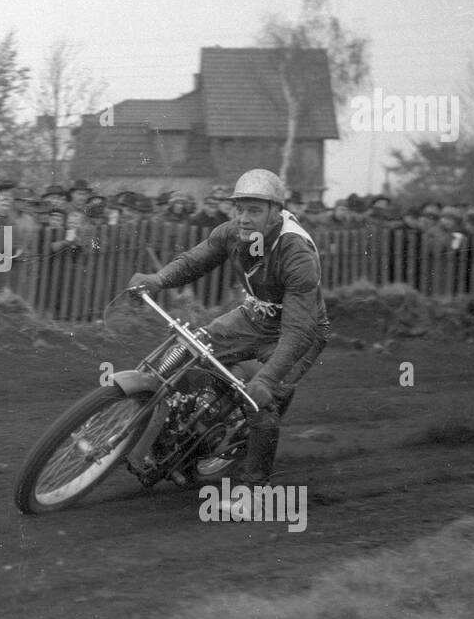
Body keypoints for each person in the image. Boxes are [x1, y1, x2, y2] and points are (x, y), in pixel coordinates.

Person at [126, 168, 330, 486]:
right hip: (254, 316)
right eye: (240, 209)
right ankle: (169, 440)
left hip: (299, 332)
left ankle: (251, 488)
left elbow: (298, 331)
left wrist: (268, 378)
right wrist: (157, 280)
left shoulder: (296, 253)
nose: (244, 218)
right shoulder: (232, 232)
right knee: (188, 350)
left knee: (262, 402)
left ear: (276, 212)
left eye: (254, 210)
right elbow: (195, 260)